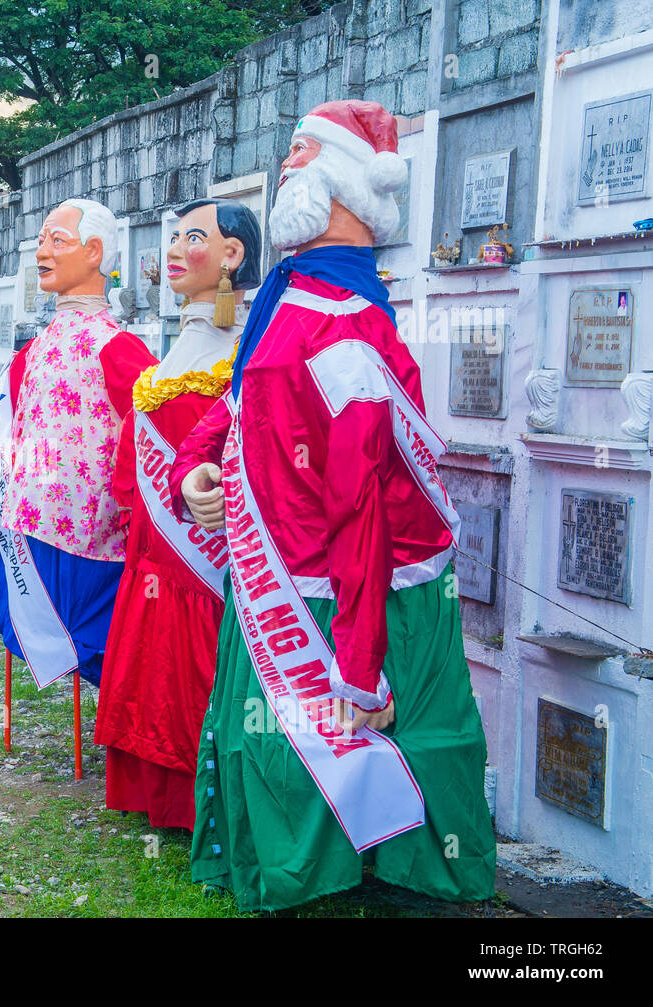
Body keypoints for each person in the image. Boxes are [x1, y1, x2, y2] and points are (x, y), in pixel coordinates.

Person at [169, 100, 495, 911]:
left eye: (303, 152)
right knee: (276, 739)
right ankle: (308, 867)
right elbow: (240, 402)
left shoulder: (344, 321)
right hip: (283, 572)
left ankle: (360, 869)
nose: (286, 167)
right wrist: (199, 466)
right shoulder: (291, 297)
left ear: (345, 180)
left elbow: (364, 498)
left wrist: (357, 658)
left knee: (342, 732)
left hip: (336, 585)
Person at [95, 199, 261, 828]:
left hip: (210, 548)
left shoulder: (248, 350)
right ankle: (155, 790)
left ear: (231, 255)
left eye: (193, 237)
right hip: (155, 546)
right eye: (173, 237)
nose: (172, 251)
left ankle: (206, 794)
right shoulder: (180, 349)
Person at [0, 198, 156, 688]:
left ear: (95, 252)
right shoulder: (34, 349)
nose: (44, 250)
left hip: (88, 530)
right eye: (41, 240)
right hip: (30, 522)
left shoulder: (118, 347)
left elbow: (145, 435)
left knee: (94, 641)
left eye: (58, 240)